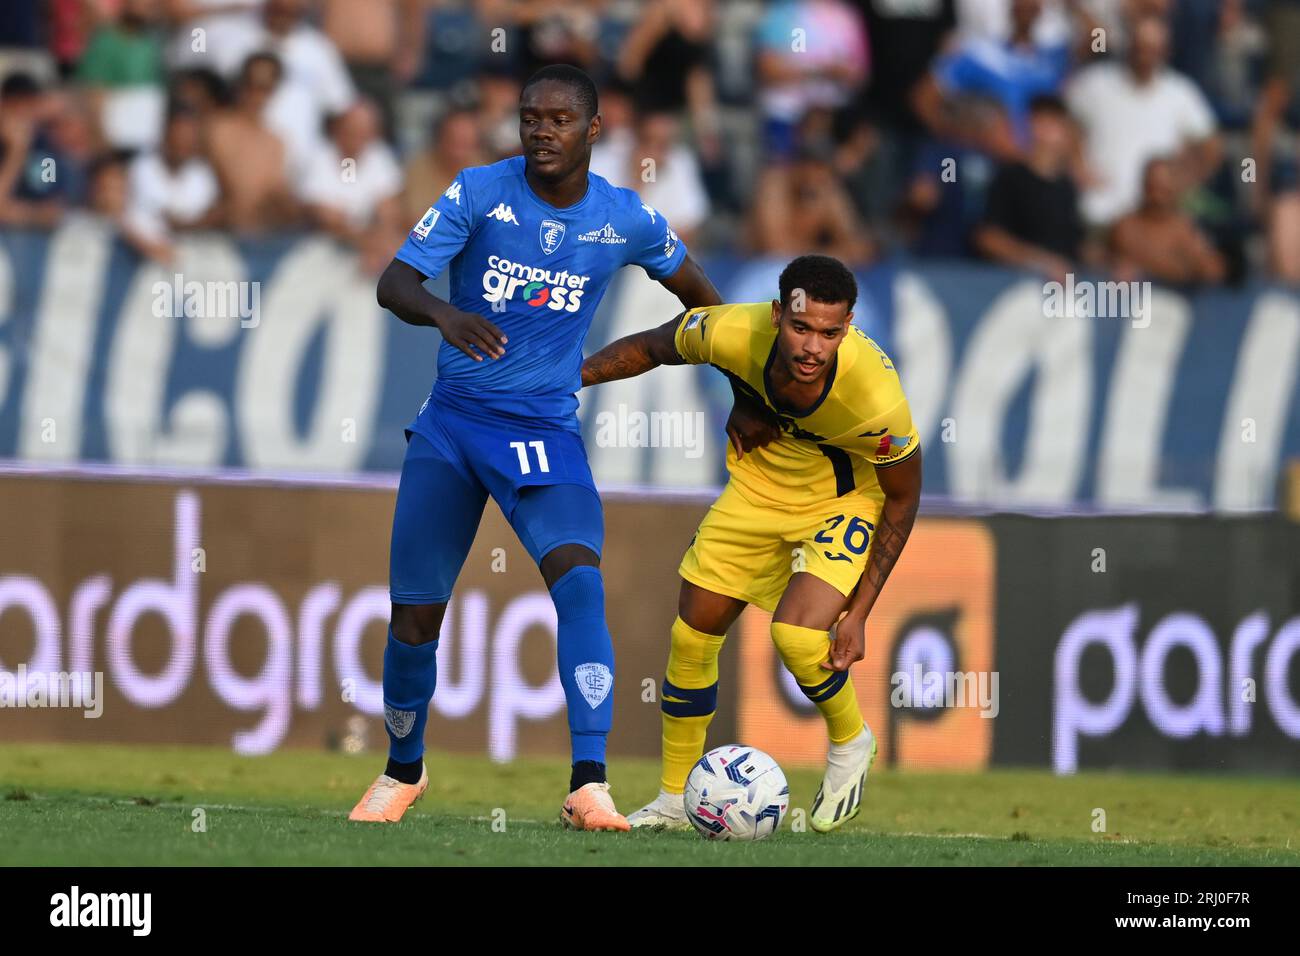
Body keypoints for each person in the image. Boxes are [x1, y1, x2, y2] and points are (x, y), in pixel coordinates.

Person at [352, 64, 730, 832]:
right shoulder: (479, 192)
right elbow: (394, 282)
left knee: (579, 582)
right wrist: (443, 315)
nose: (541, 131)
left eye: (559, 120)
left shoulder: (624, 218)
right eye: (530, 117)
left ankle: (588, 783)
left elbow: (706, 301)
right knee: (413, 619)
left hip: (541, 434)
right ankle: (403, 769)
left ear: (594, 132)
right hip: (452, 426)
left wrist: (745, 384)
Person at [580, 254, 923, 833]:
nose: (814, 346)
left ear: (849, 326)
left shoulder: (874, 395)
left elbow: (904, 497)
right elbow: (656, 345)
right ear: (776, 315)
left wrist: (859, 613)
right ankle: (672, 800)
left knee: (795, 633)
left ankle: (849, 740)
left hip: (841, 502)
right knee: (693, 631)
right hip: (757, 487)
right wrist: (573, 377)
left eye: (830, 332)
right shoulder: (732, 330)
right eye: (801, 327)